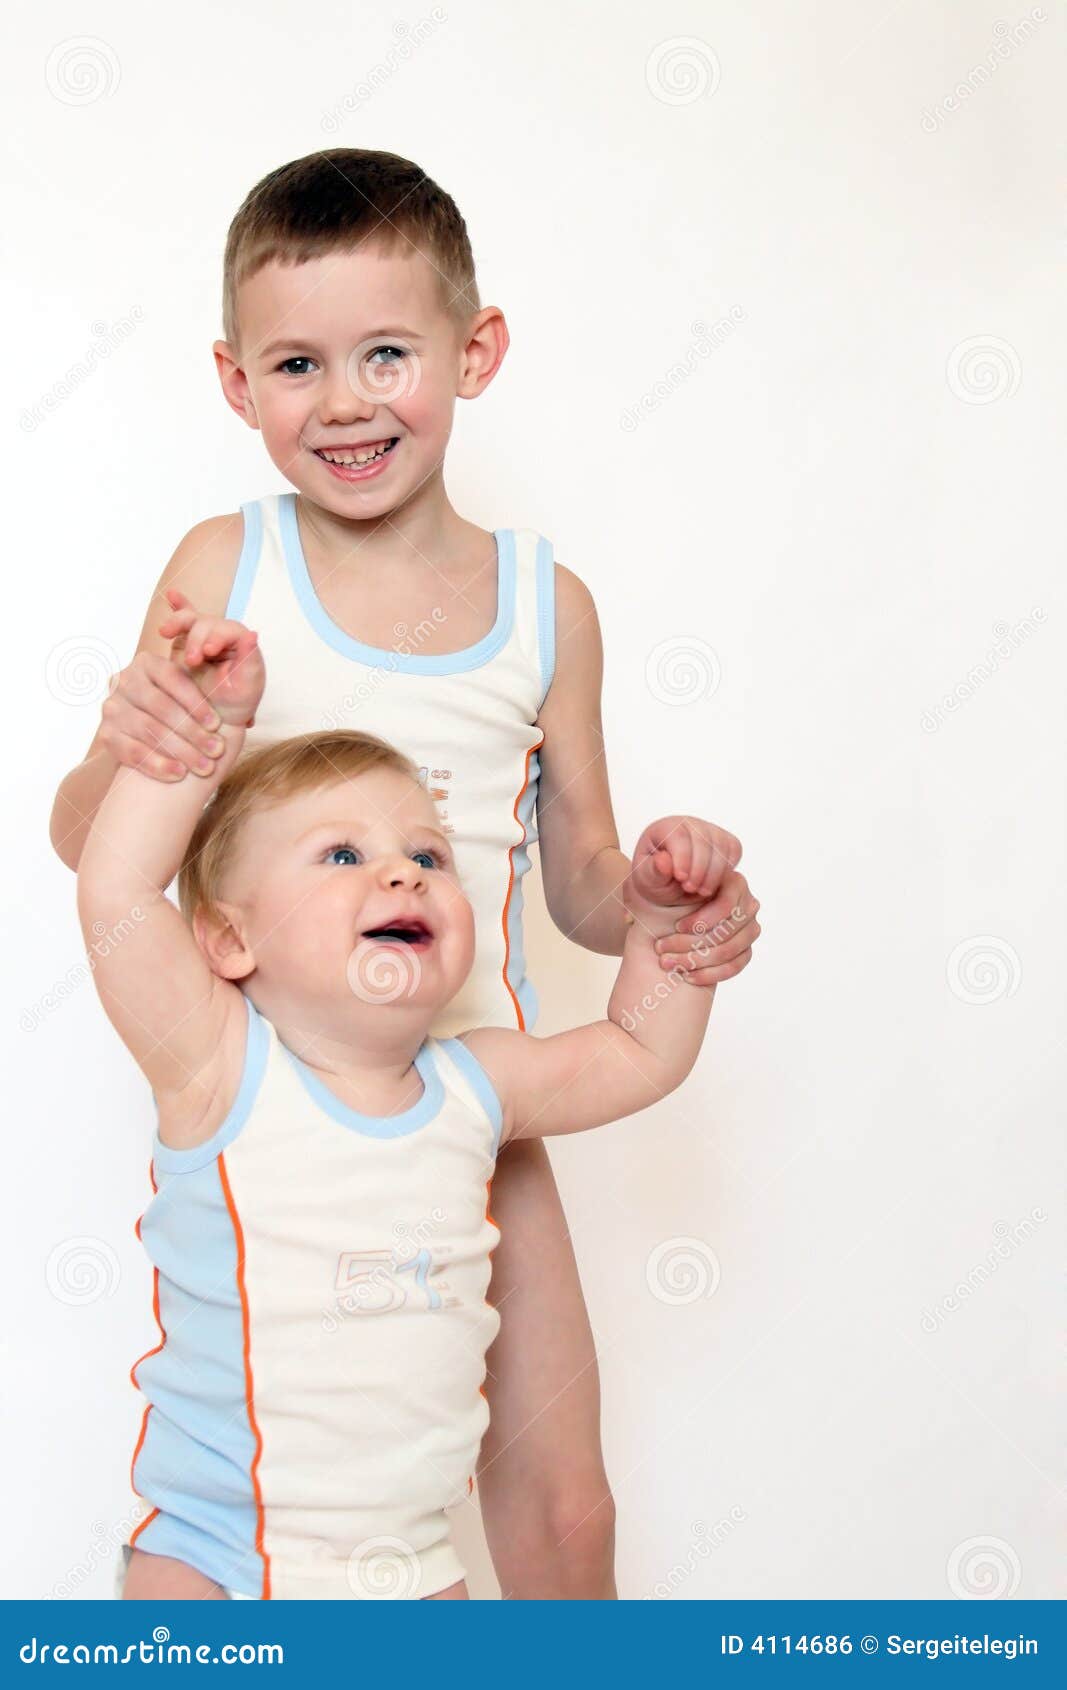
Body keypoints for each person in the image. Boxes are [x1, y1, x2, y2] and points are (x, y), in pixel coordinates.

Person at [51, 147, 761, 1599]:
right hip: (276, 1101)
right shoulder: (224, 562)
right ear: (239, 386)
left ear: (473, 351)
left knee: (563, 1509)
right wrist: (136, 743)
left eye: (389, 352)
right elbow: (95, 843)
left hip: (478, 1091)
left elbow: (579, 882)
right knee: (284, 1473)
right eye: (298, 364)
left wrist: (664, 907)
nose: (348, 400)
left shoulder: (543, 608)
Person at [77, 608, 718, 1599]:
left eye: (427, 857)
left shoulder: (477, 1085)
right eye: (341, 855)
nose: (398, 869)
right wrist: (202, 741)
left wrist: (667, 931)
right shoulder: (219, 1067)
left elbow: (637, 1052)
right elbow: (117, 889)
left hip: (410, 1567)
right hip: (215, 1560)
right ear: (228, 940)